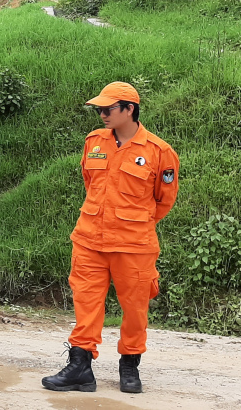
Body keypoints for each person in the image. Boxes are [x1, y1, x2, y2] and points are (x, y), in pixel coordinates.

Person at [42, 82, 179, 394]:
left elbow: (164, 200)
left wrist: (133, 222)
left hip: (133, 245)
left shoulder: (159, 152)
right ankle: (80, 367)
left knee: (135, 308)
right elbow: (90, 182)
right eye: (99, 109)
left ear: (129, 109)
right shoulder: (94, 141)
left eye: (108, 109)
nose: (102, 114)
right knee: (86, 303)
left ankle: (130, 365)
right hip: (89, 240)